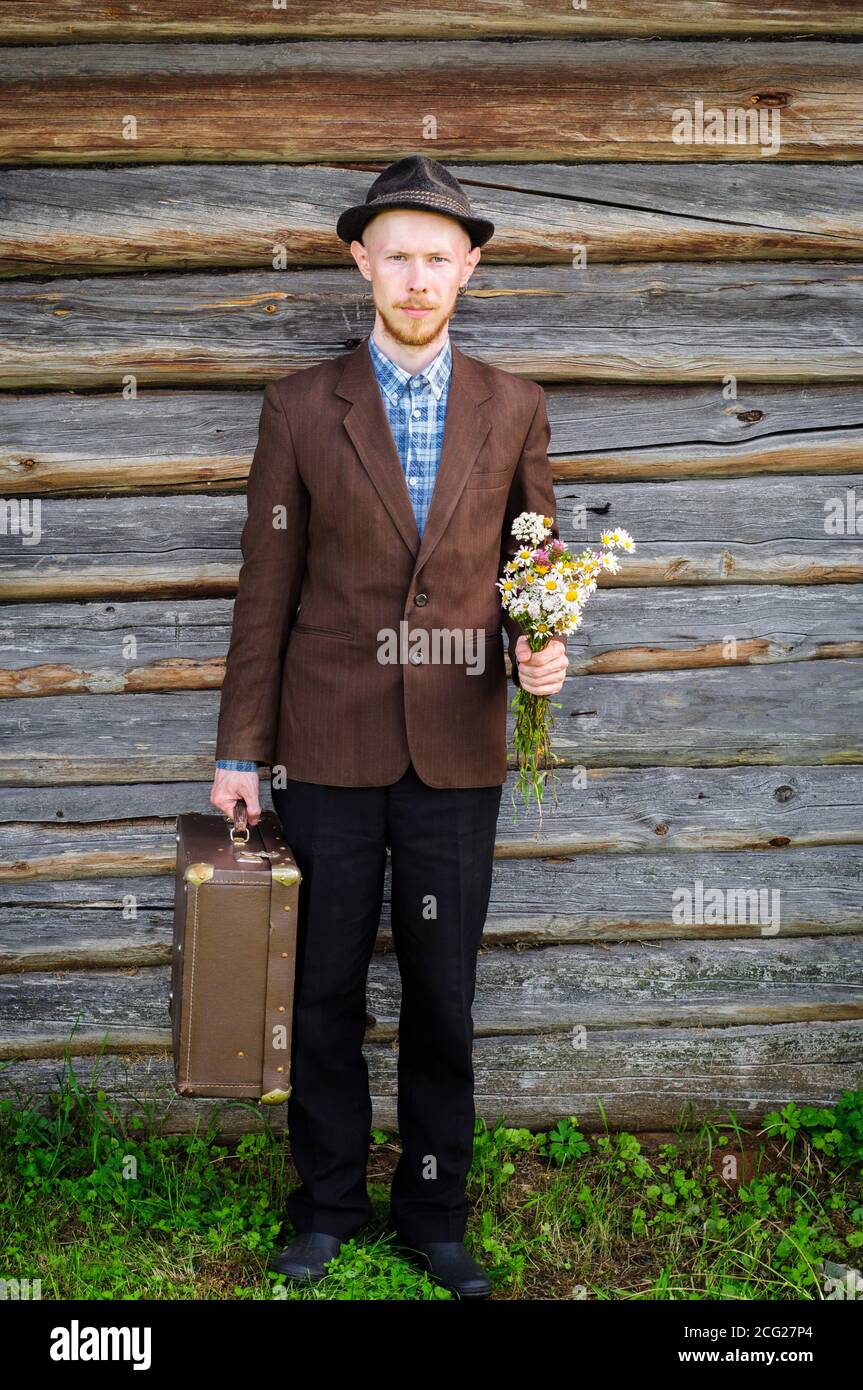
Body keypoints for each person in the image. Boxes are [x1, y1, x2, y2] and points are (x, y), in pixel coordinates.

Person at [209, 154, 567, 1298]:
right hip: (328, 741)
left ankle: (432, 1207)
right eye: (396, 253)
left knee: (440, 991)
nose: (417, 275)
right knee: (318, 988)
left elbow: (536, 564)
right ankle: (322, 1206)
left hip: (458, 744)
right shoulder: (300, 407)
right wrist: (238, 753)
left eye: (438, 255)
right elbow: (265, 588)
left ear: (470, 268)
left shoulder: (511, 406)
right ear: (361, 261)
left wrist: (542, 644)